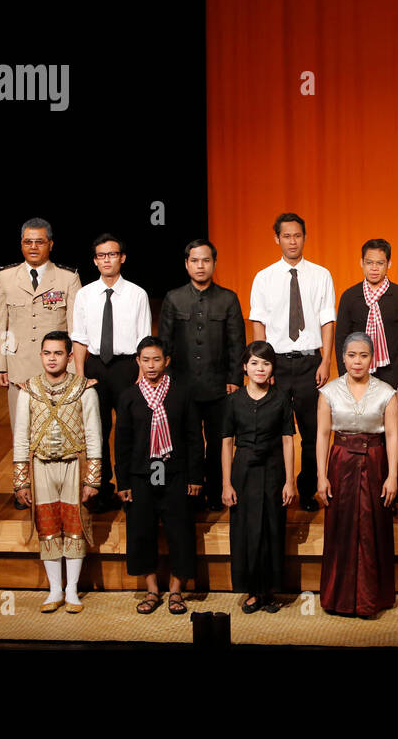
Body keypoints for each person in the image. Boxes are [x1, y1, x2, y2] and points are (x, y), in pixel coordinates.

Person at [250, 213, 336, 513]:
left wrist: (326, 360)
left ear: (304, 237)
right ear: (277, 239)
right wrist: (263, 366)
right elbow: (258, 324)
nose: (292, 241)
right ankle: (276, 490)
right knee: (273, 431)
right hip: (276, 365)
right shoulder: (263, 277)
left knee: (313, 432)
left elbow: (327, 321)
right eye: (286, 236)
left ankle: (309, 489)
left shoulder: (321, 275)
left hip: (310, 363)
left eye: (297, 235)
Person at [12, 331, 103, 613]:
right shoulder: (28, 389)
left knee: (74, 526)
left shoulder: (85, 389)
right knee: (48, 527)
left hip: (74, 465)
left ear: (69, 356)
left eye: (58, 353)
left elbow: (93, 433)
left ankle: (72, 590)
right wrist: (21, 481)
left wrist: (92, 478)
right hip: (40, 466)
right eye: (47, 353)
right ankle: (54, 590)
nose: (52, 359)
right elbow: (21, 436)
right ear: (41, 356)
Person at [0, 217, 81, 507]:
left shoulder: (68, 278)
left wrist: (74, 369)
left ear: (50, 244)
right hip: (19, 367)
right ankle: (23, 488)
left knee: (58, 431)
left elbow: (74, 329)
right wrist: (0, 364)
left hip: (58, 370)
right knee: (21, 431)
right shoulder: (6, 277)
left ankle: (59, 488)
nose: (33, 247)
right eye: (28, 241)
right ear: (21, 244)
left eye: (39, 241)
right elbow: (1, 326)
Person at [115, 336, 205, 615]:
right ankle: (152, 589)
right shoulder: (129, 396)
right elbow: (122, 442)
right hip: (142, 473)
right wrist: (124, 481)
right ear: (137, 362)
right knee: (141, 529)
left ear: (167, 361)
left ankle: (176, 590)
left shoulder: (182, 392)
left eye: (156, 359)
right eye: (145, 360)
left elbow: (193, 437)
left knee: (180, 530)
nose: (151, 365)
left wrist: (195, 477)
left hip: (175, 471)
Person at [316, 333, 398, 617]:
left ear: (372, 357)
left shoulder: (387, 392)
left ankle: (372, 598)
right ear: (343, 357)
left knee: (372, 527)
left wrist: (393, 476)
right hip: (341, 463)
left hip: (375, 462)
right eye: (352, 355)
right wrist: (320, 475)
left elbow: (392, 436)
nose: (357, 361)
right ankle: (337, 598)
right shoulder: (329, 392)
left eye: (363, 355)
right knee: (341, 527)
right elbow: (323, 434)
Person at [160, 238, 246, 512]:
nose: (200, 266)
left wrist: (234, 379)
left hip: (220, 387)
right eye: (194, 260)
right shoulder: (174, 298)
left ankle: (215, 492)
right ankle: (190, 493)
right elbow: (165, 345)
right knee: (186, 441)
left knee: (219, 440)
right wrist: (167, 384)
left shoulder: (228, 298)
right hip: (182, 386)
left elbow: (237, 344)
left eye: (206, 260)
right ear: (186, 264)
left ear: (214, 264)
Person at [71, 233, 152, 511]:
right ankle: (101, 488)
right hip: (95, 366)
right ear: (95, 261)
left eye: (112, 254)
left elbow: (145, 337)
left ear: (122, 258)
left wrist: (141, 372)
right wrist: (80, 374)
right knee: (97, 430)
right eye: (101, 255)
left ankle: (130, 487)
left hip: (127, 366)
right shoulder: (84, 295)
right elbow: (79, 338)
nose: (107, 260)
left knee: (131, 429)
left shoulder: (137, 294)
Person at [336, 239, 398, 508]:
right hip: (359, 375)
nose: (374, 268)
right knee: (362, 433)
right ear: (361, 263)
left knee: (393, 433)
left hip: (392, 374)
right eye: (369, 262)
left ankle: (393, 494)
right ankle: (361, 490)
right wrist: (343, 381)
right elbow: (341, 341)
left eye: (379, 263)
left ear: (389, 264)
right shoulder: (350, 296)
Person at [222, 340, 295, 614]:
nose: (260, 368)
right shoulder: (233, 400)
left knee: (272, 529)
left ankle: (270, 591)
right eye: (254, 363)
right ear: (244, 367)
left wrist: (290, 480)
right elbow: (227, 442)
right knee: (246, 531)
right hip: (243, 470)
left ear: (272, 367)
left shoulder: (281, 398)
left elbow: (288, 440)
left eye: (265, 363)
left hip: (274, 469)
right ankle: (252, 591)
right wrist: (226, 483)